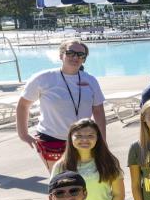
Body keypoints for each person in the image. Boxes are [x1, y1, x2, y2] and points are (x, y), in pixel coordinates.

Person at [16, 39, 106, 172]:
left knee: (85, 179)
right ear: (61, 55)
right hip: (51, 140)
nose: (75, 57)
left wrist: (102, 140)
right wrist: (23, 134)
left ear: (84, 59)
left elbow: (98, 111)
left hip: (83, 139)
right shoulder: (43, 78)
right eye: (70, 53)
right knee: (60, 180)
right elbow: (23, 105)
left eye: (80, 55)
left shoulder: (90, 80)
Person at [52, 118, 125, 200]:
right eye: (79, 136)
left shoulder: (109, 161)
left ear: (97, 138)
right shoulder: (60, 166)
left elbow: (118, 194)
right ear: (70, 137)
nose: (84, 140)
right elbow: (55, 198)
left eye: (90, 135)